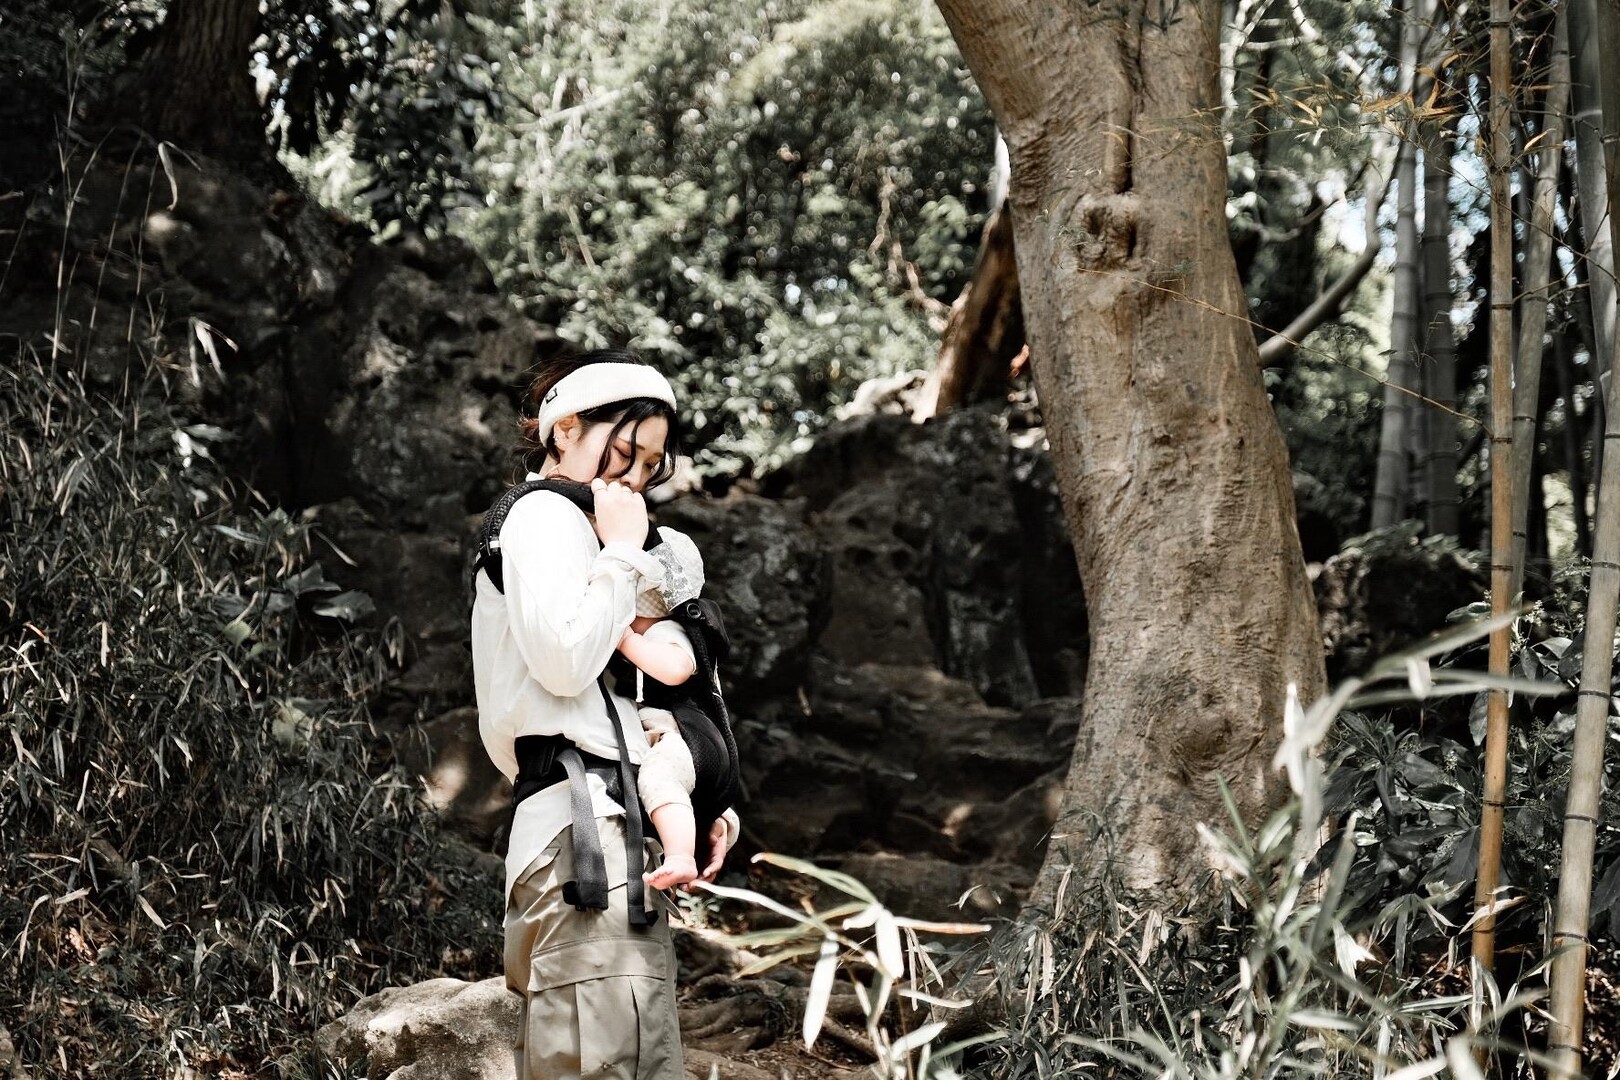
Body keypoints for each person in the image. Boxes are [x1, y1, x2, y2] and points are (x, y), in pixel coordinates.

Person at [471, 348, 737, 1080]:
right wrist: (621, 553)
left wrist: (690, 797)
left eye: (652, 466)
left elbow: (649, 693)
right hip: (581, 840)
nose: (634, 477)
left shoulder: (588, 537)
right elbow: (563, 660)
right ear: (564, 429)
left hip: (598, 831)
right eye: (623, 450)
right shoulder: (547, 518)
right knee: (620, 1064)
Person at [615, 525, 710, 890]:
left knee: (658, 780)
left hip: (676, 741)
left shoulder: (666, 632)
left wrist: (626, 640)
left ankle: (681, 856)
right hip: (666, 738)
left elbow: (675, 669)